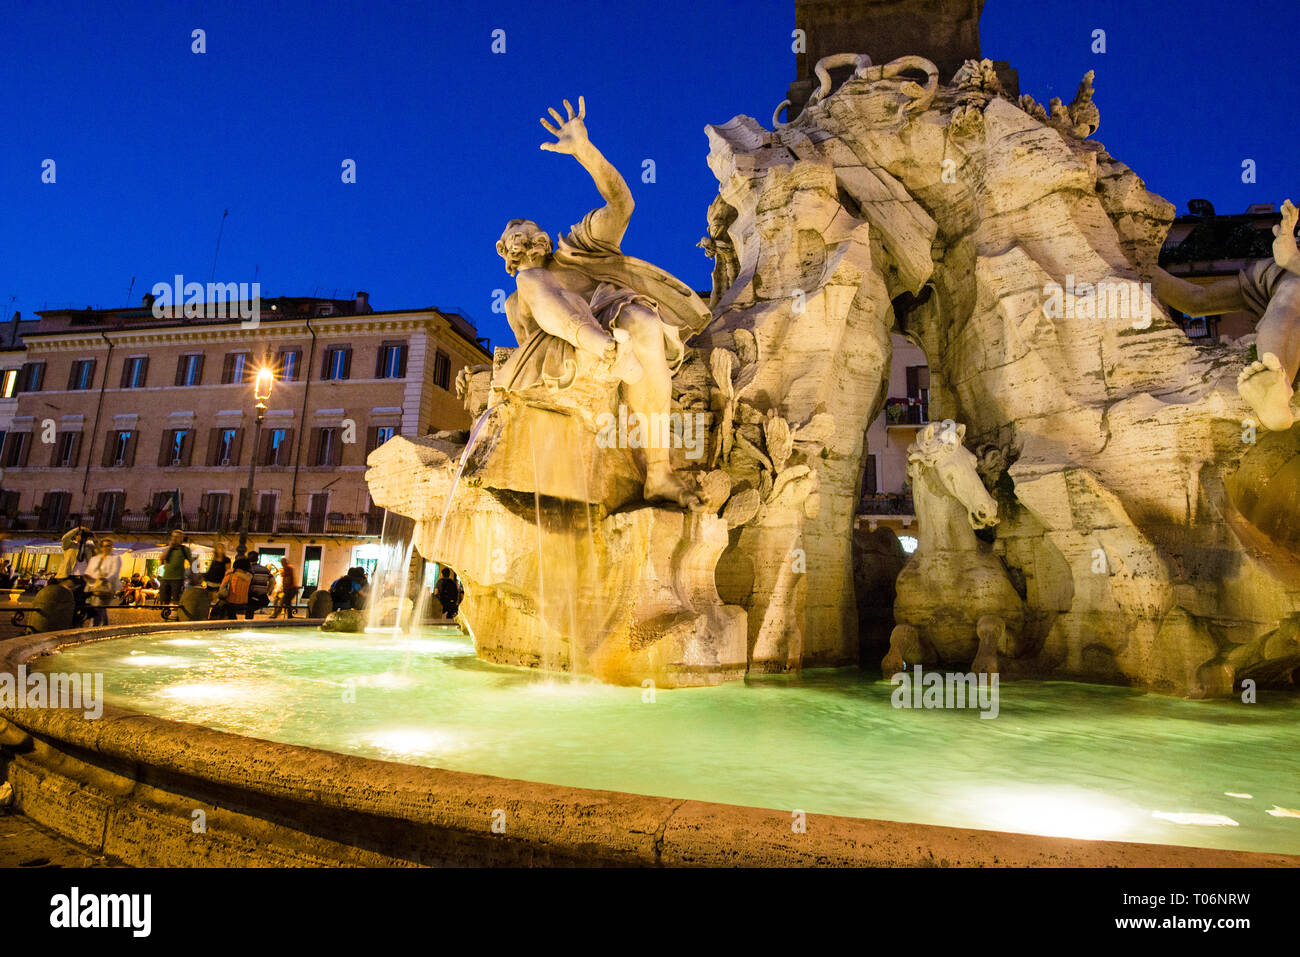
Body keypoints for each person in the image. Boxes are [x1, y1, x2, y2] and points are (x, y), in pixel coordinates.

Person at [1154, 198, 1300, 431]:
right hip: (1283, 285)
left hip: (1287, 280)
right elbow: (1196, 301)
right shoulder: (1279, 277)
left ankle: (1276, 391)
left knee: (1293, 294)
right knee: (1291, 291)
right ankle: (1276, 392)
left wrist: (1292, 258)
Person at [83, 538, 122, 627]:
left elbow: (115, 572)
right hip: (93, 587)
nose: (107, 548)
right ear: (101, 547)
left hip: (107, 587)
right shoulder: (95, 559)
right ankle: (105, 625)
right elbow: (89, 571)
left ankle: (93, 628)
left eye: (109, 546)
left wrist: (106, 578)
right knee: (99, 608)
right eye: (105, 546)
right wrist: (87, 576)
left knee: (98, 607)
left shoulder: (116, 558)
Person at [157, 529, 192, 612]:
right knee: (164, 599)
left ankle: (176, 614)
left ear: (181, 538)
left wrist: (193, 574)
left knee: (176, 598)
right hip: (165, 578)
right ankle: (165, 614)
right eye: (173, 536)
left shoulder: (184, 549)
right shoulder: (169, 549)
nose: (174, 538)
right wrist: (170, 546)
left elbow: (191, 562)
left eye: (177, 537)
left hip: (177, 578)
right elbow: (162, 557)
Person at [246, 551, 272, 619]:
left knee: (249, 610)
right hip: (262, 597)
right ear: (257, 559)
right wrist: (268, 591)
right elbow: (273, 581)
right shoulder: (265, 570)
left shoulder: (249, 569)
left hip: (252, 596)